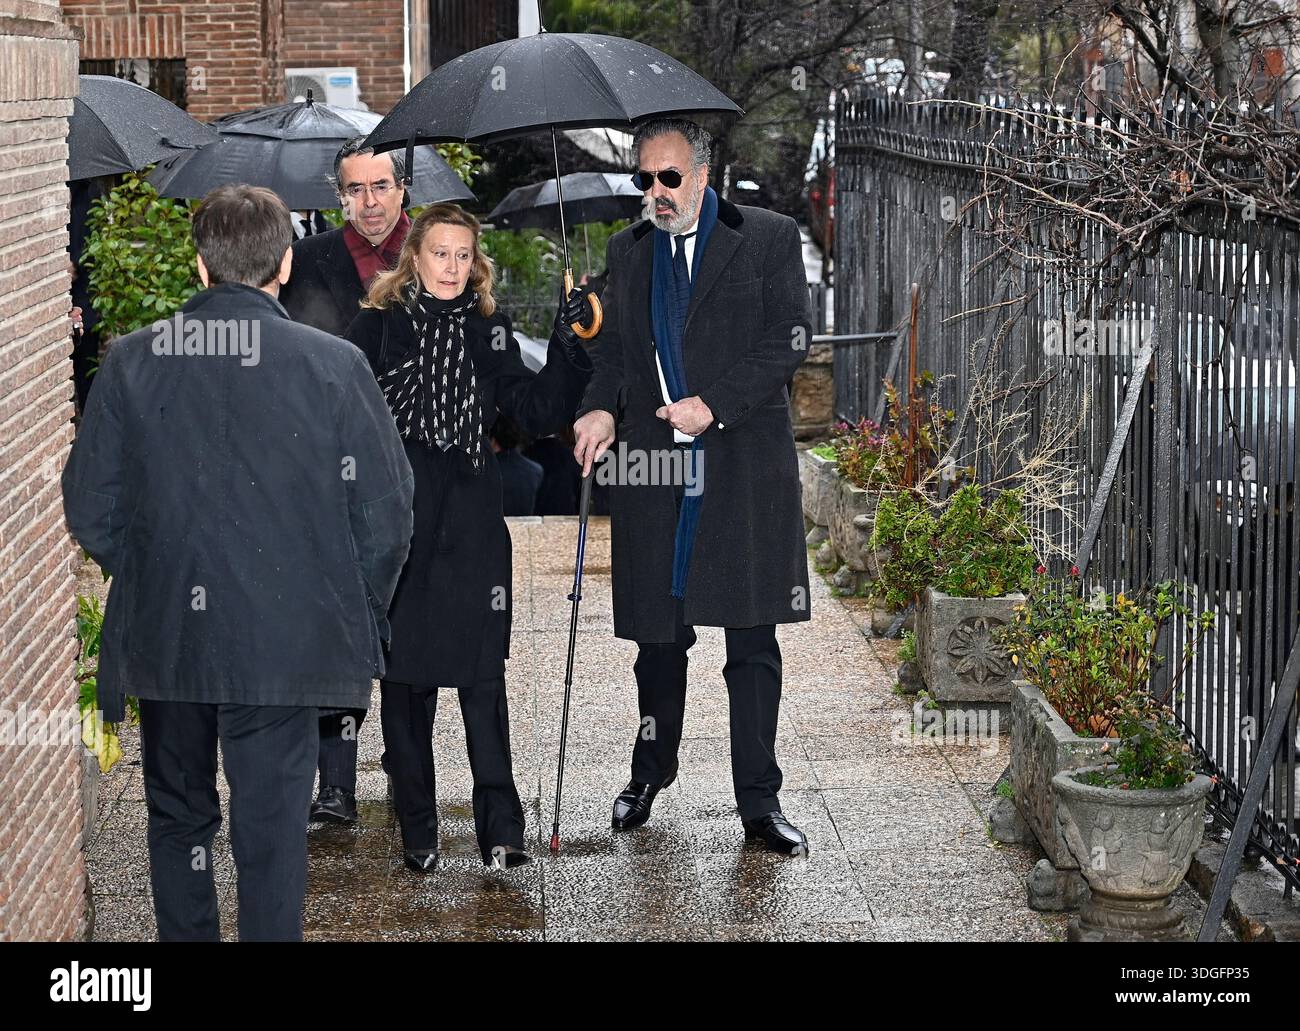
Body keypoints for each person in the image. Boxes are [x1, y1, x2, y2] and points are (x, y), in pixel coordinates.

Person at [61, 184, 414, 940]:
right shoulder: (335, 367)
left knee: (181, 822)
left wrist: (157, 570)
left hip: (172, 644)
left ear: (199, 265)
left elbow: (92, 507)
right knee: (272, 831)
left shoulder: (129, 363)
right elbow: (385, 515)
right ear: (285, 263)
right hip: (283, 642)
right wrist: (347, 600)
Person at [572, 118, 814, 855]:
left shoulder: (768, 237)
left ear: (703, 177)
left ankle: (759, 801)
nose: (655, 193)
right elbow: (613, 354)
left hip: (740, 465)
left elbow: (789, 340)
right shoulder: (628, 250)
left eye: (668, 178)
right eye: (643, 179)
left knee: (751, 640)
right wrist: (597, 407)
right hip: (656, 471)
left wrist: (713, 403)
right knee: (658, 637)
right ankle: (651, 770)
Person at [345, 203, 592, 872]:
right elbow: (344, 411)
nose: (451, 267)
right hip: (402, 520)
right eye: (439, 253)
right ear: (414, 258)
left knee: (483, 680)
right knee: (406, 685)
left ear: (473, 261)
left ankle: (502, 829)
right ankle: (418, 832)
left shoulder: (491, 330)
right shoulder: (377, 328)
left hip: (475, 522)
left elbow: (536, 411)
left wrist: (568, 345)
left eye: (462, 255)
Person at [280, 136, 415, 824]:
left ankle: (404, 762)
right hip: (333, 470)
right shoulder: (307, 263)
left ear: (403, 188)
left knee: (408, 624)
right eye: (355, 190)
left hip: (417, 469)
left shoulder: (438, 255)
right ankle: (335, 787)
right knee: (337, 626)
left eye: (381, 186)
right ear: (339, 196)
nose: (369, 203)